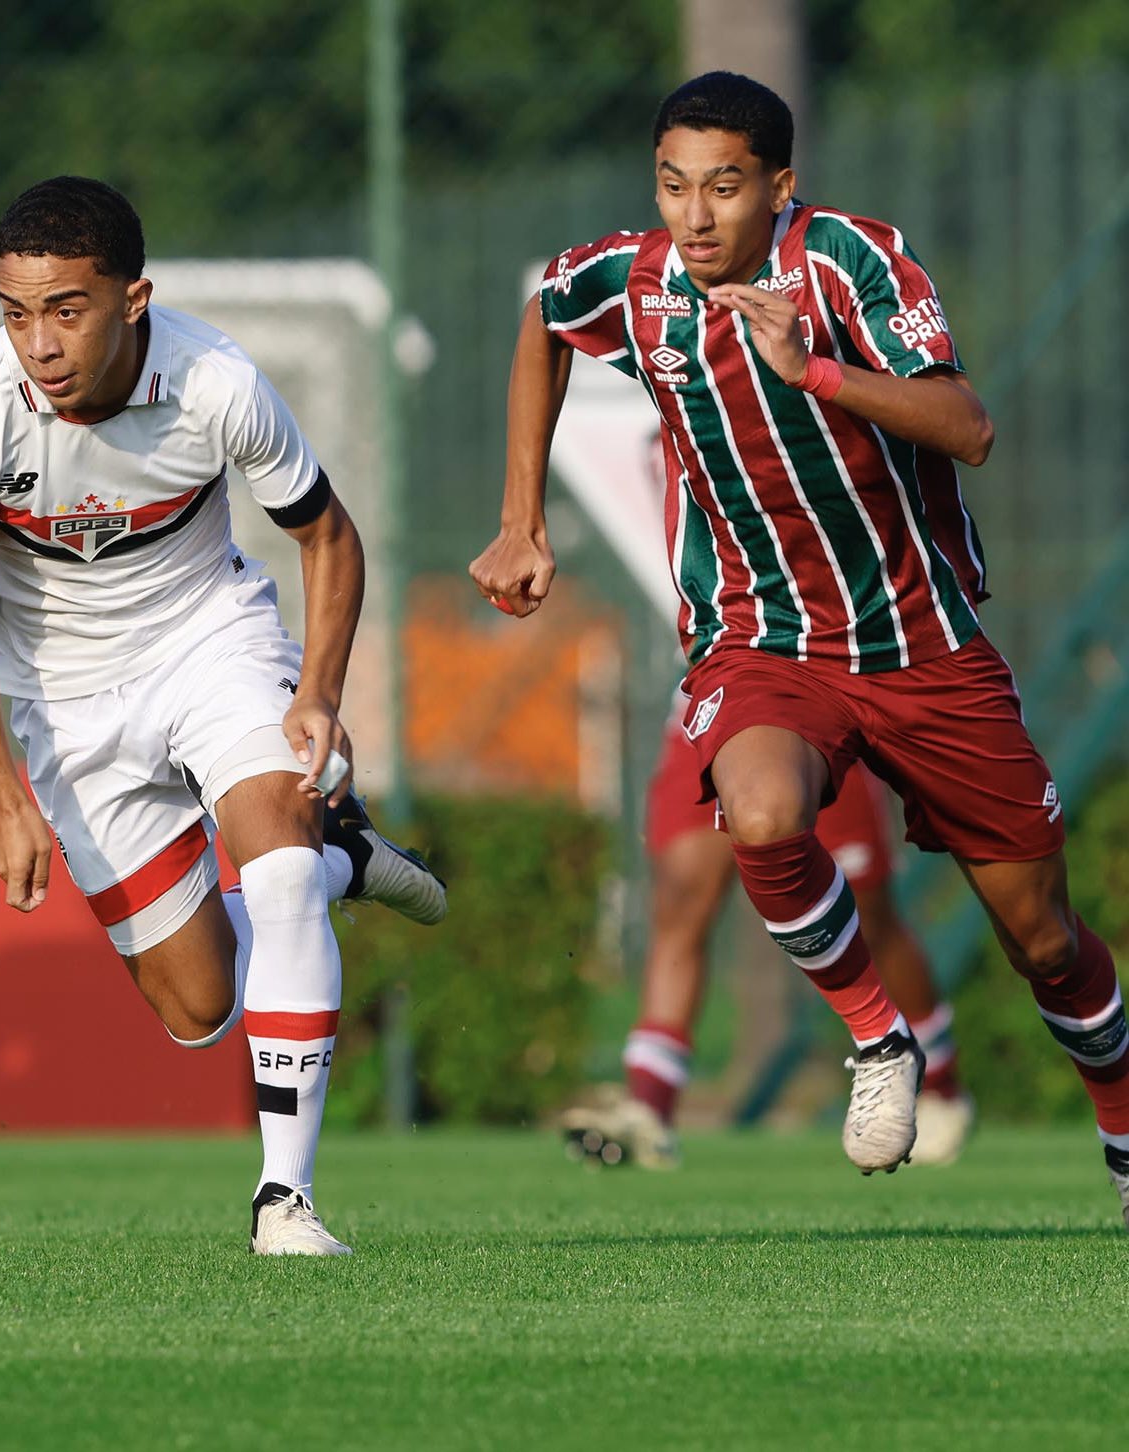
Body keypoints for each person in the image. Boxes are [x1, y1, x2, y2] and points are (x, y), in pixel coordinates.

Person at [472, 73, 1127, 1221]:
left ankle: (1121, 1137)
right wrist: (520, 518)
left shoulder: (850, 263)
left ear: (780, 186)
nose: (694, 215)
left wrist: (812, 370)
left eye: (723, 187)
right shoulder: (634, 281)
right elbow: (544, 317)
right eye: (673, 185)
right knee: (762, 812)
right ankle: (878, 1040)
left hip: (922, 645)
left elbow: (968, 427)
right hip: (761, 640)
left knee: (1041, 942)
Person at [0, 177, 446, 1255]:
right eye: (16, 313)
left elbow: (327, 535)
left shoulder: (216, 381)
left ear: (132, 299)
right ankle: (341, 857)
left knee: (274, 873)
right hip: (57, 697)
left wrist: (317, 695)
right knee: (197, 1008)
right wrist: (4, 799)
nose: (38, 344)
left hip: (208, 642)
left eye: (67, 310)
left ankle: (285, 1201)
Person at [565, 714, 972, 1167]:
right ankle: (650, 1106)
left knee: (868, 917)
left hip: (808, 717)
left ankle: (939, 1086)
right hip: (705, 717)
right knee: (680, 906)